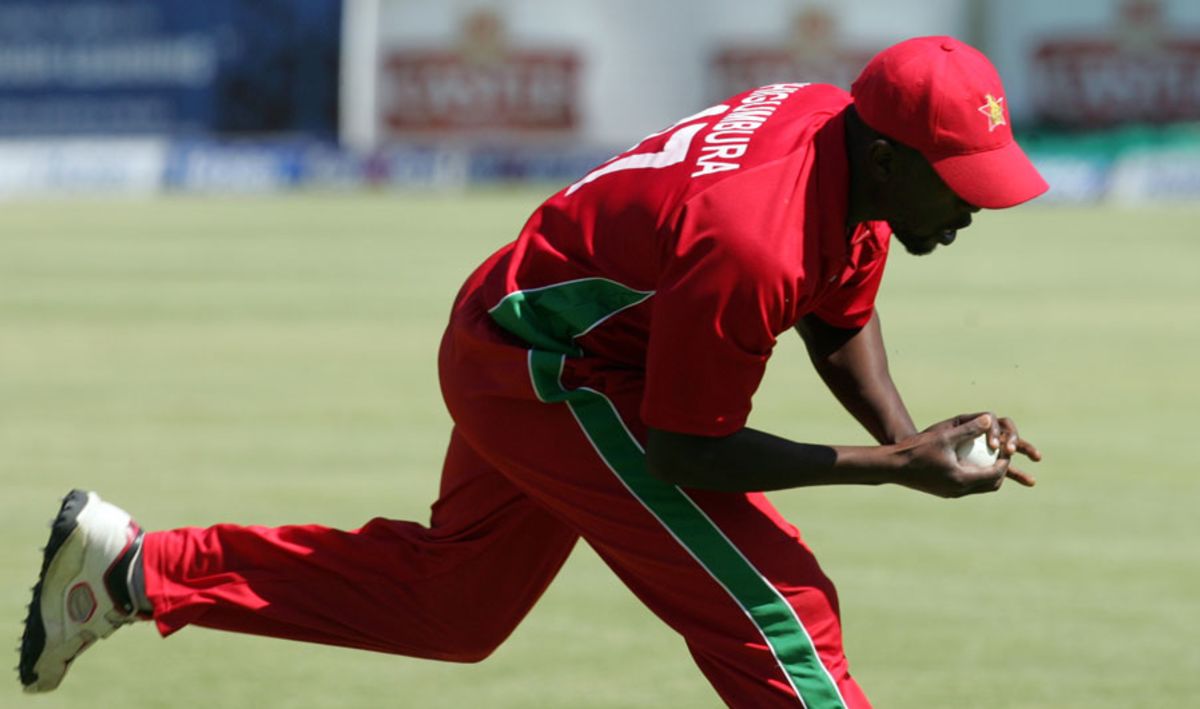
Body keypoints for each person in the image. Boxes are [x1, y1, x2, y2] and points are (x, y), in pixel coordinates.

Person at [20, 36, 1046, 708]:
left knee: (453, 609)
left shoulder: (831, 130)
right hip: (552, 370)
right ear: (884, 155)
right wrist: (889, 463)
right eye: (957, 187)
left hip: (521, 339)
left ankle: (131, 570)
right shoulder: (754, 239)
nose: (972, 210)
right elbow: (687, 449)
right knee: (782, 606)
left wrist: (922, 439)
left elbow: (840, 306)